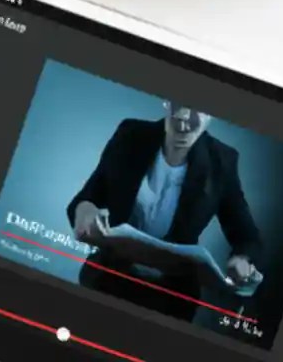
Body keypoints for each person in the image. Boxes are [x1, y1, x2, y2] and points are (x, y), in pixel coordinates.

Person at [66, 101, 263, 321]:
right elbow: (87, 197)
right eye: (180, 102)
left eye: (198, 106)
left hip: (171, 300)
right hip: (107, 279)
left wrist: (241, 260)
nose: (184, 116)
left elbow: (247, 237)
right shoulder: (131, 134)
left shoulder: (222, 161)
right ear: (166, 100)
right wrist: (85, 213)